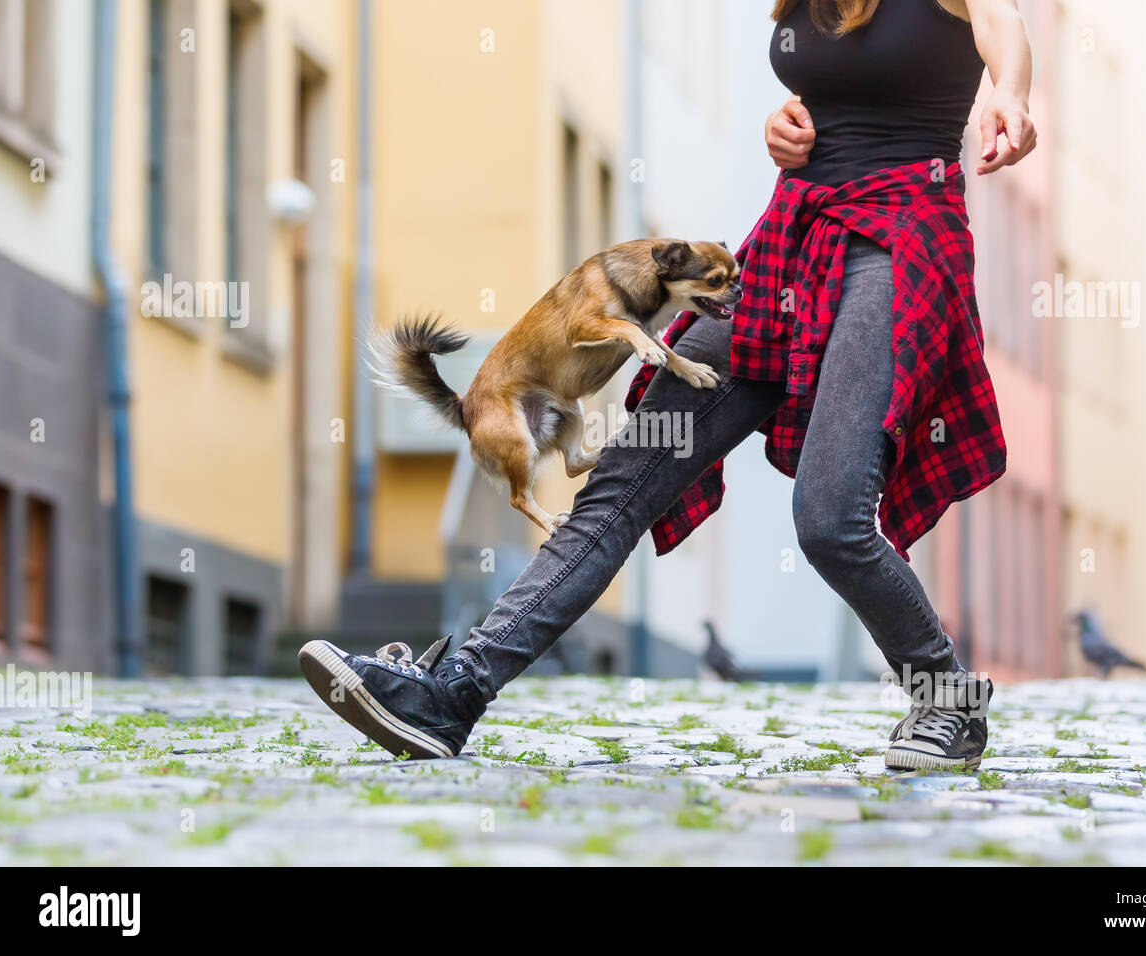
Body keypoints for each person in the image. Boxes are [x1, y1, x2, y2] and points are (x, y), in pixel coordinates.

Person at [300, 0, 1036, 773]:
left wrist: (1011, 94)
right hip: (794, 242)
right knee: (623, 482)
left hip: (897, 245)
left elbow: (1002, 22)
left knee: (829, 519)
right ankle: (453, 692)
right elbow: (830, 93)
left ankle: (944, 693)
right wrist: (781, 127)